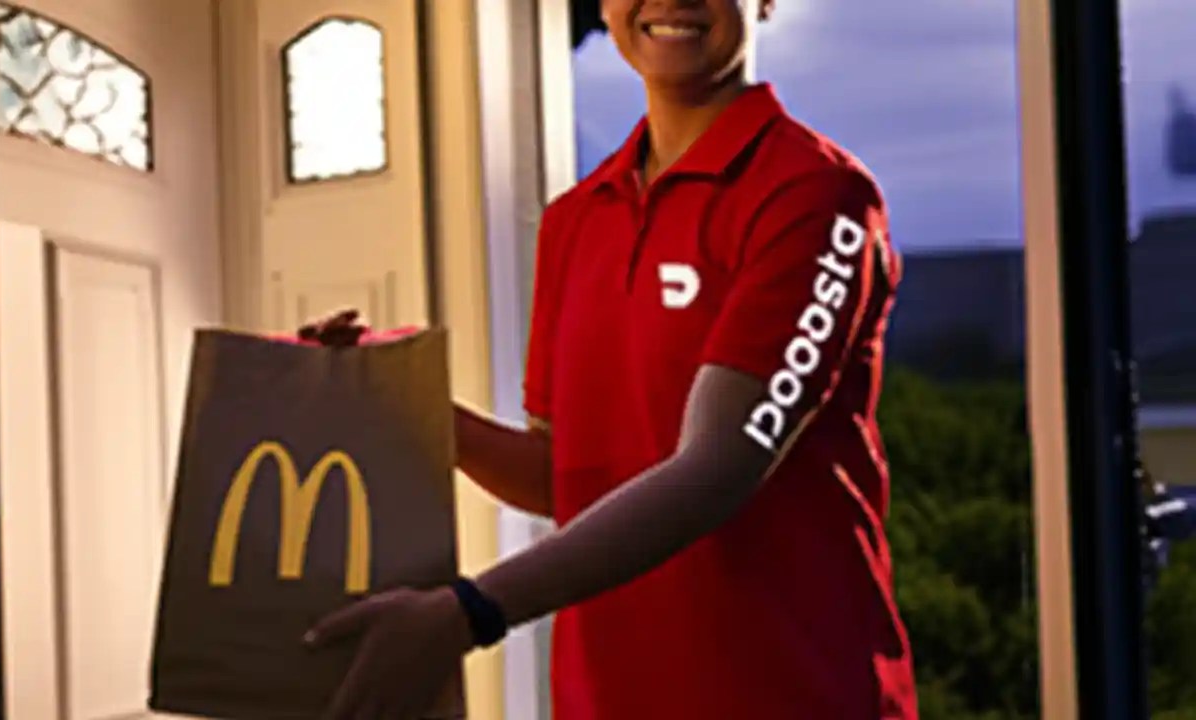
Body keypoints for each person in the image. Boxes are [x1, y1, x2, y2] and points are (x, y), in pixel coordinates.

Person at [297, 0, 918, 717]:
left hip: (791, 691)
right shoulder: (574, 220)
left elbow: (720, 466)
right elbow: (563, 477)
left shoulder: (818, 197)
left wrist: (469, 611)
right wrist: (399, 401)